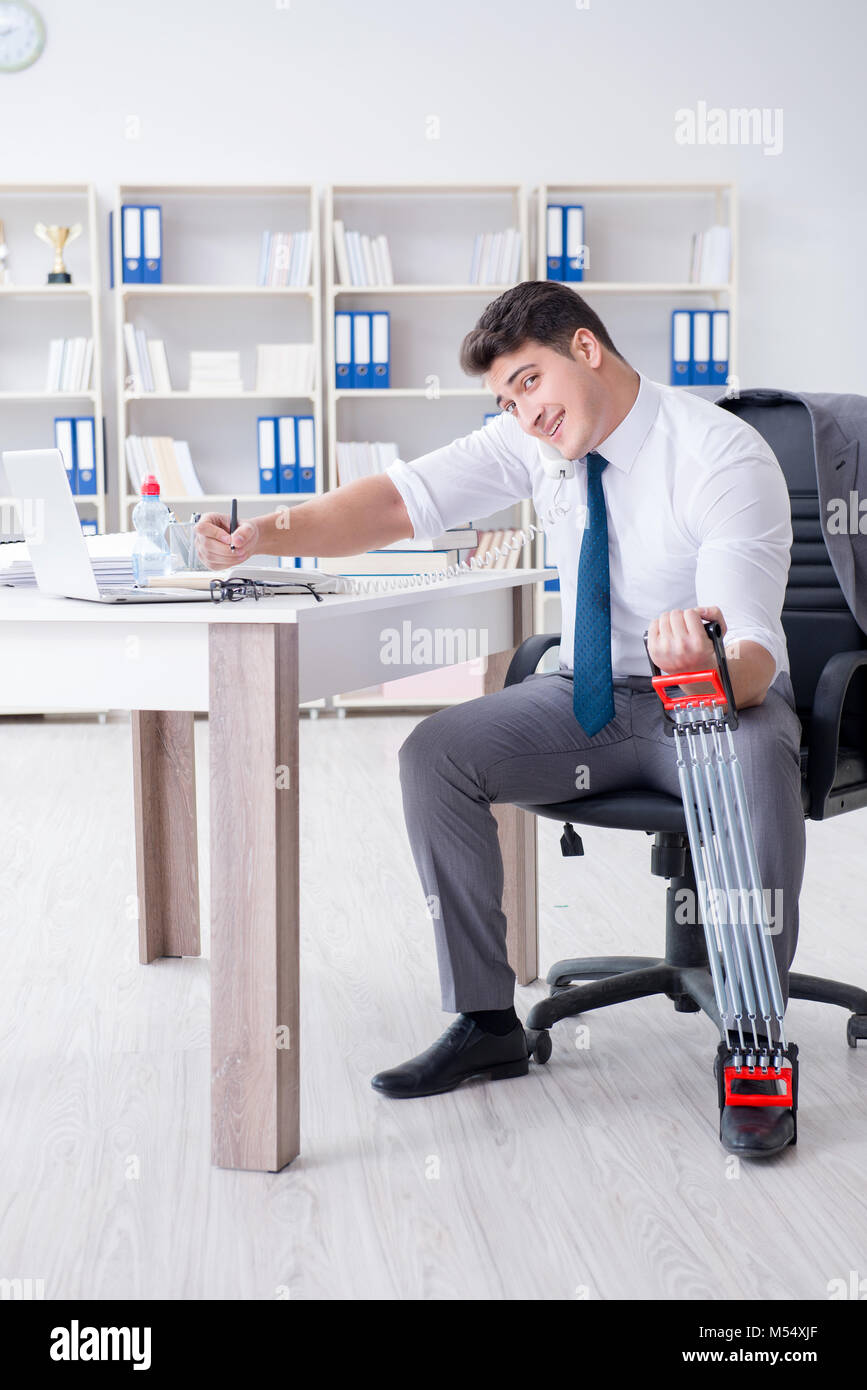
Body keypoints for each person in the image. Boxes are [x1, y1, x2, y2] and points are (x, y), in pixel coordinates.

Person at [195, 281, 805, 1158]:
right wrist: (267, 532)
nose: (523, 412)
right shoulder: (537, 443)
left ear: (585, 349)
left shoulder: (719, 455)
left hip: (709, 702)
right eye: (505, 398)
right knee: (434, 754)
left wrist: (701, 663)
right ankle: (487, 1023)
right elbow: (393, 504)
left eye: (529, 381)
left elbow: (752, 655)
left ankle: (753, 1039)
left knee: (748, 767)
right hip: (589, 695)